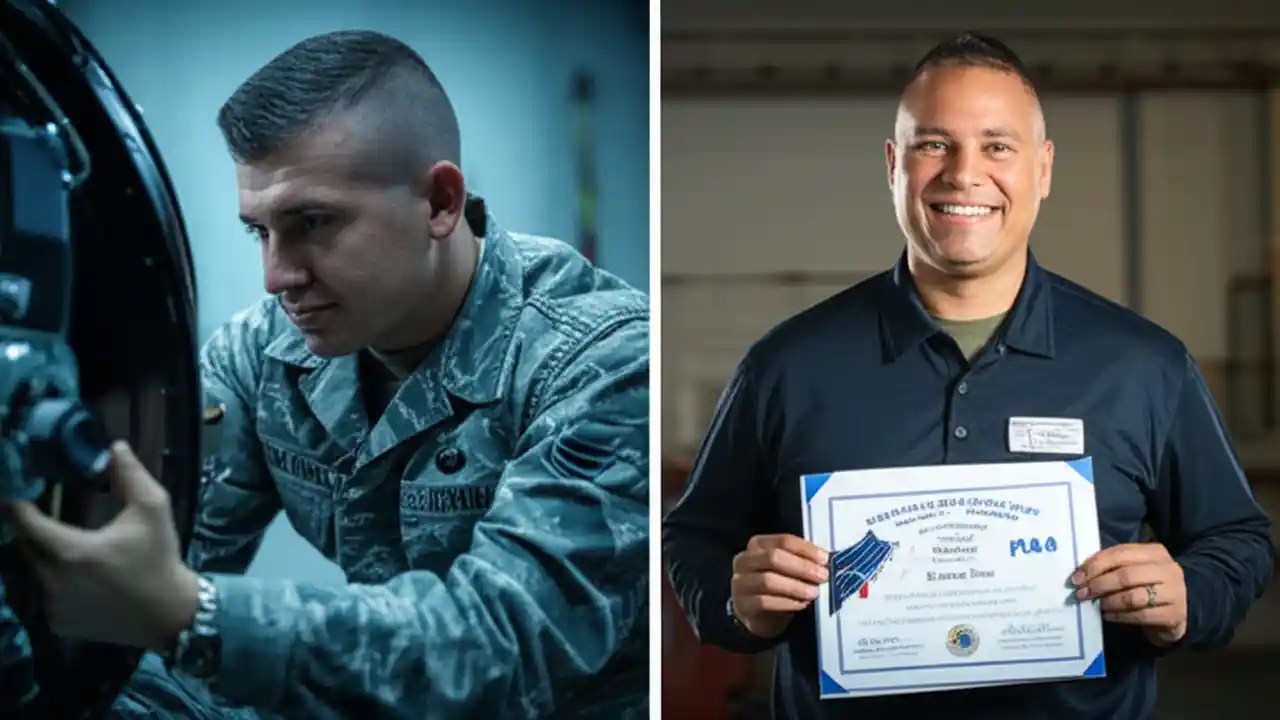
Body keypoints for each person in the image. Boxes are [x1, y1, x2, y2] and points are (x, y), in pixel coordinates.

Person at [2, 29, 649, 719]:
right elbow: (145, 589)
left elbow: (499, 652)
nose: (277, 276)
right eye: (260, 231)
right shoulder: (262, 355)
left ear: (439, 203)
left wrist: (190, 614)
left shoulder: (602, 363)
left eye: (313, 222)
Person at [662, 32, 1273, 720]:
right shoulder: (787, 367)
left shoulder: (1142, 365)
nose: (964, 173)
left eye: (997, 146)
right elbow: (695, 539)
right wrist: (735, 604)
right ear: (894, 166)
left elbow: (1239, 541)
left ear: (1042, 170)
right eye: (933, 144)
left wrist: (1190, 596)